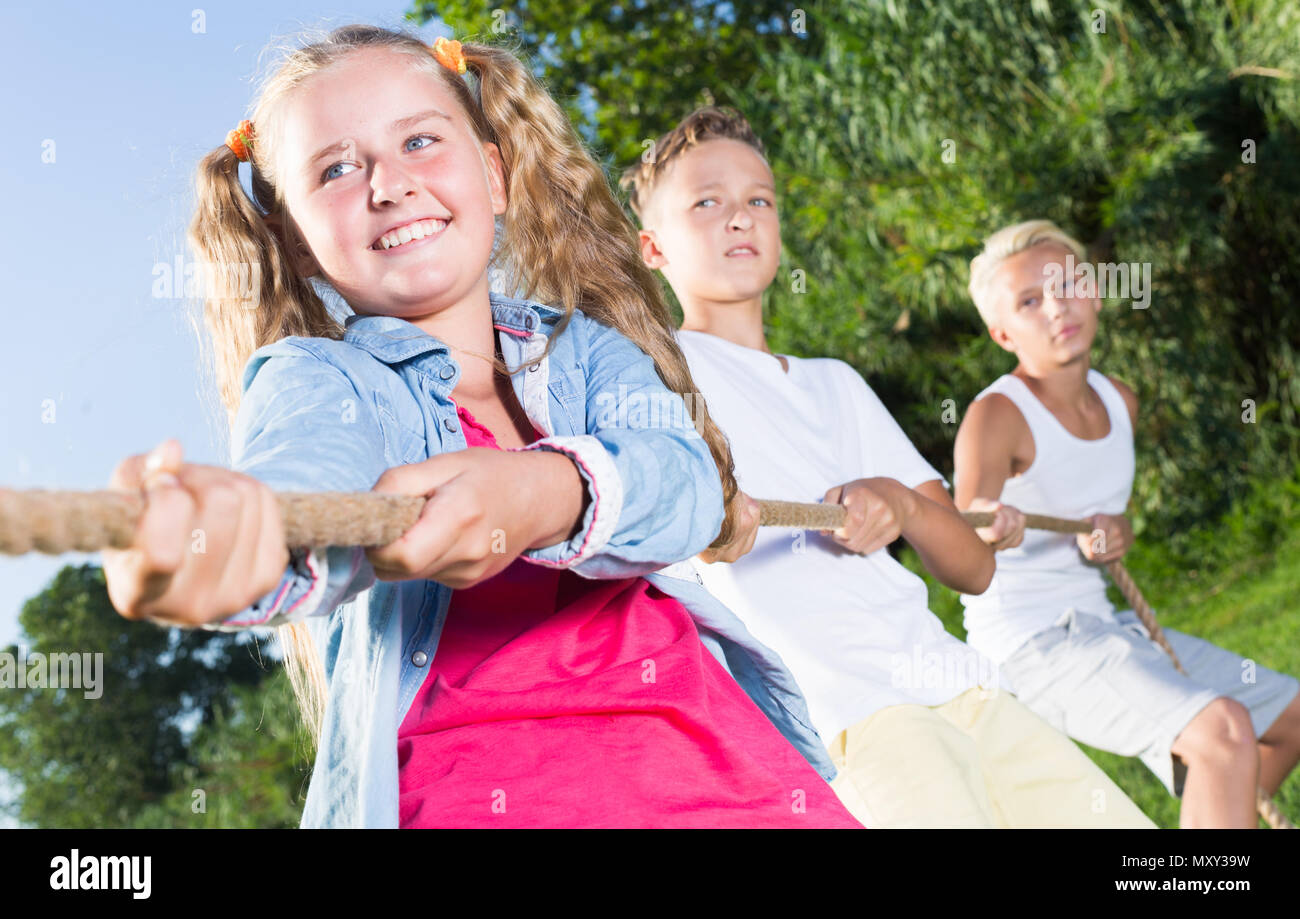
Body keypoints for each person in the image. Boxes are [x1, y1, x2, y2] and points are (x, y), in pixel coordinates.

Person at [101, 26, 861, 829]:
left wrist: (546, 490)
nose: (388, 185)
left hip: (740, 779)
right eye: (335, 169)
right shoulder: (322, 380)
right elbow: (302, 479)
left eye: (420, 141)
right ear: (297, 242)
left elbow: (685, 486)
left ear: (494, 175)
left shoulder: (585, 352)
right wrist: (220, 540)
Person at [620, 106, 1155, 827]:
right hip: (848, 718)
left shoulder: (835, 382)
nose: (740, 217)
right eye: (706, 202)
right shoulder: (658, 377)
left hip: (965, 686)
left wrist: (902, 507)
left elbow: (973, 567)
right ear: (652, 247)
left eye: (759, 200)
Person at [954, 218, 1300, 828]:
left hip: (1102, 624)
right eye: (1030, 301)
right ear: (1002, 332)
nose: (1057, 307)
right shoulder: (998, 414)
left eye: (1068, 284)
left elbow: (1111, 523)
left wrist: (1117, 531)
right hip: (1032, 643)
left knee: (1288, 718)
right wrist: (989, 523)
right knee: (1223, 731)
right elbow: (966, 521)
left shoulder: (1120, 400)